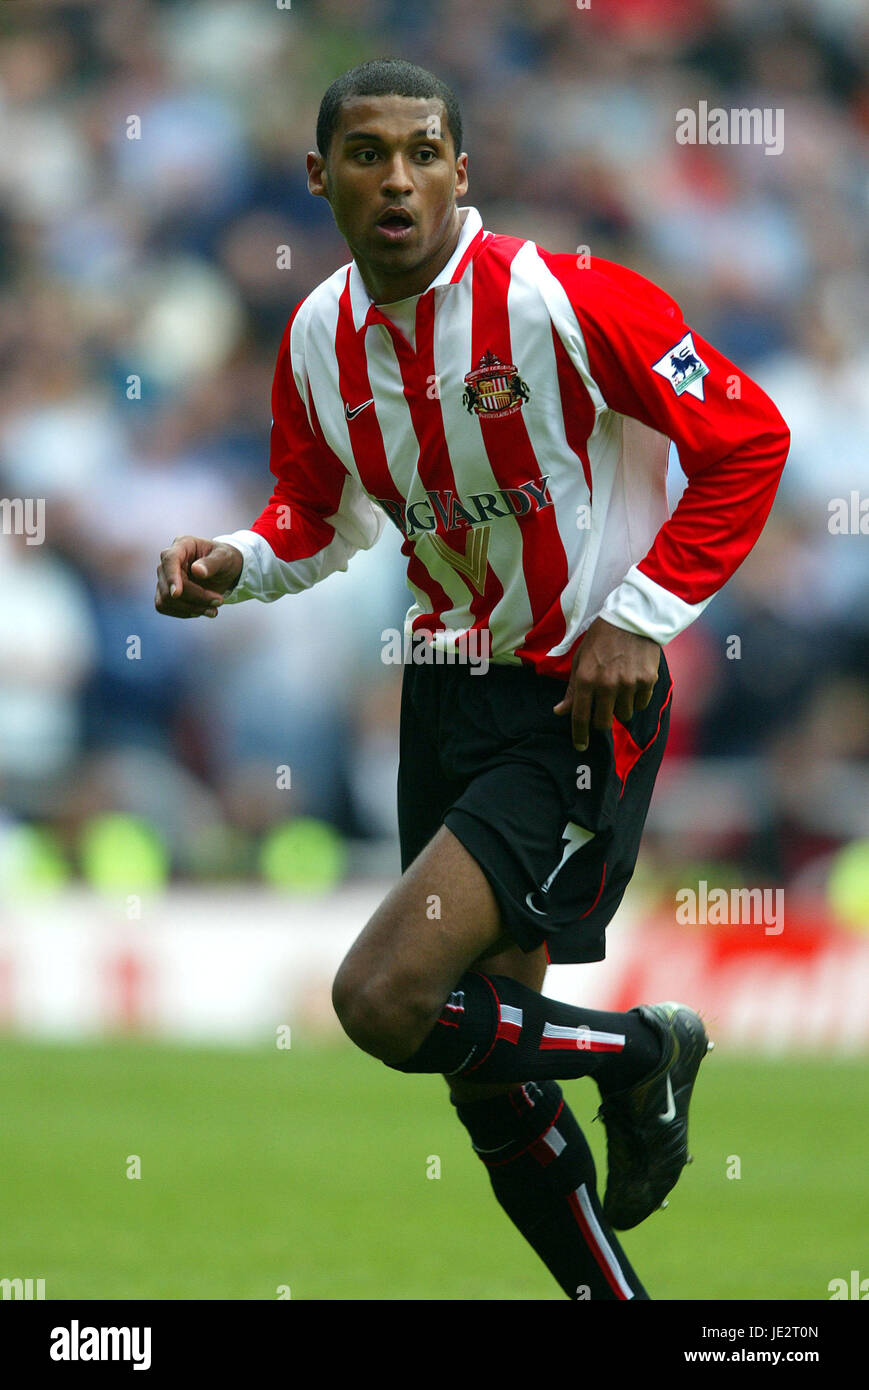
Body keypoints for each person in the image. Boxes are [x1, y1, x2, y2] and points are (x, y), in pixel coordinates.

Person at [155, 60, 790, 1300]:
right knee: (484, 1074)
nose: (396, 177)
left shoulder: (562, 300)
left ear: (463, 170)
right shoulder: (317, 334)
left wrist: (640, 618)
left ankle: (636, 1054)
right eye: (366, 154)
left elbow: (747, 437)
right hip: (443, 692)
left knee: (385, 998)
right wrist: (227, 562)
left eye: (422, 152)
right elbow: (314, 515)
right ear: (318, 177)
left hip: (572, 700)